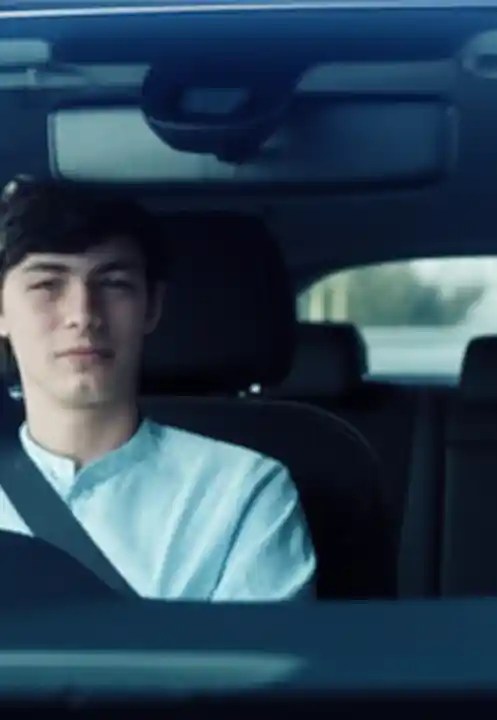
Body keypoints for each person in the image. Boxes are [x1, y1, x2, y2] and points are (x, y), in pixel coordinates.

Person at [0, 176, 316, 600]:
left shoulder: (240, 494)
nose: (83, 314)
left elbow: (259, 664)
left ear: (152, 307)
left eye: (113, 284)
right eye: (47, 285)